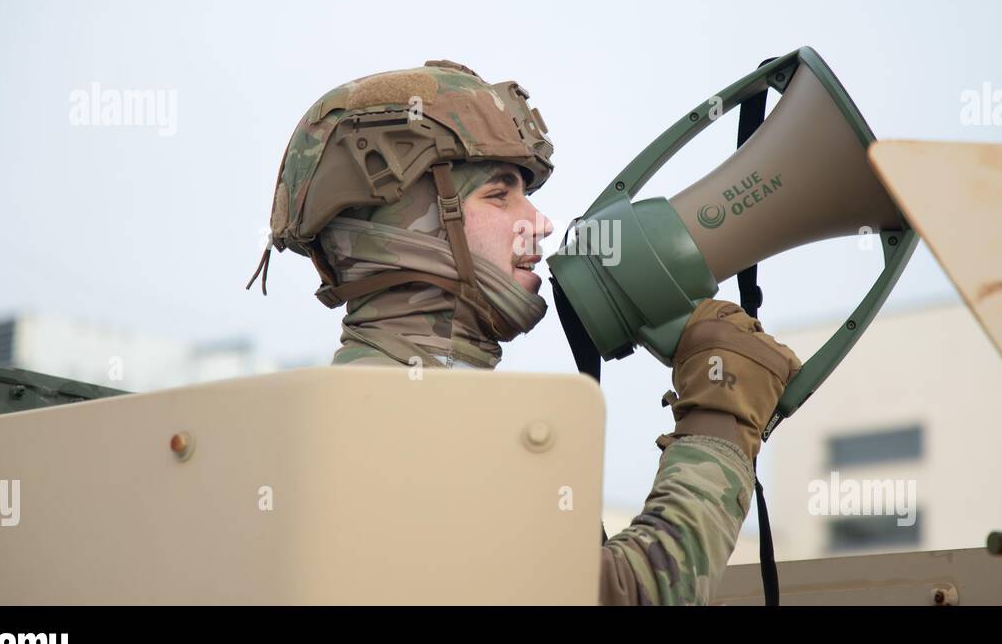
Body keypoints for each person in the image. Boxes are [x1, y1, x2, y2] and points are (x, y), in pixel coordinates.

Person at [251, 60, 802, 605]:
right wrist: (721, 418)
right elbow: (621, 599)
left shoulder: (383, 405)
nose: (539, 222)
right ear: (405, 225)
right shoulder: (412, 418)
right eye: (499, 194)